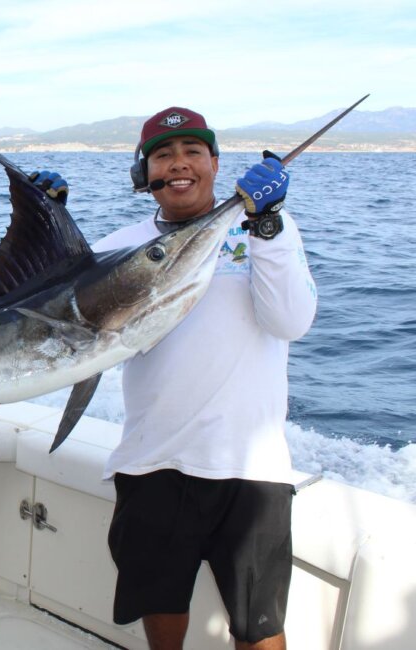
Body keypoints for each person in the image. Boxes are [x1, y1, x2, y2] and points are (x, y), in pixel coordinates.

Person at [83, 107, 316, 650]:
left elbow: (292, 322)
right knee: (162, 615)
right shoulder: (119, 245)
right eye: (164, 155)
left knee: (258, 629)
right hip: (153, 461)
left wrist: (266, 226)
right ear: (145, 176)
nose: (179, 163)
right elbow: (73, 334)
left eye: (193, 152)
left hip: (251, 468)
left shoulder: (266, 227)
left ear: (215, 163)